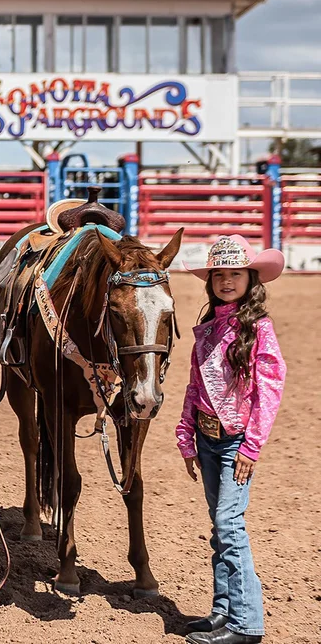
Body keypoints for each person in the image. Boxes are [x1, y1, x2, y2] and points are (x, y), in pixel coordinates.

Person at [177, 234, 287, 644]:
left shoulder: (258, 327)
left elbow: (269, 388)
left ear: (250, 278)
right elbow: (195, 385)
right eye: (219, 274)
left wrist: (252, 444)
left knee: (229, 524)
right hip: (208, 439)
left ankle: (246, 623)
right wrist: (186, 434)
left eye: (234, 274)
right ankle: (224, 611)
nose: (226, 281)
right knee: (220, 526)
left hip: (236, 442)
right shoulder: (208, 330)